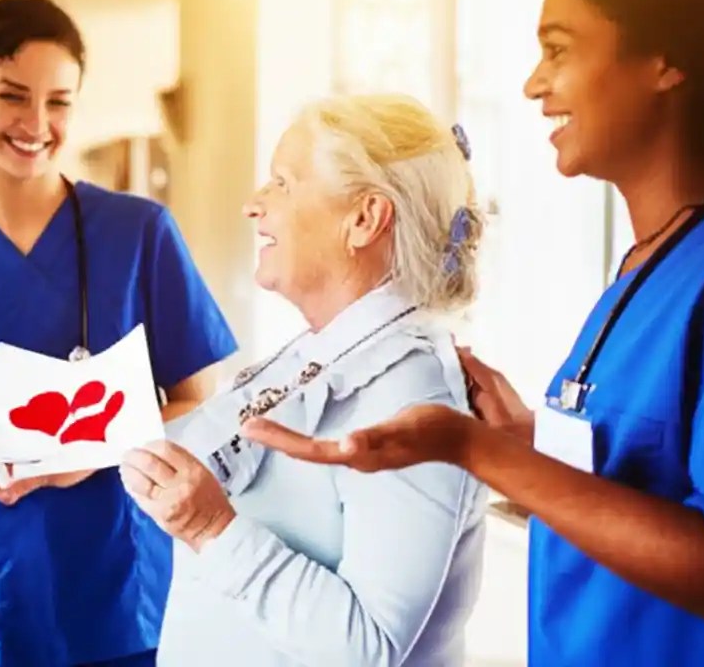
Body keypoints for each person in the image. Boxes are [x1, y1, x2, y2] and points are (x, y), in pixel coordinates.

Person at [246, 0, 704, 666]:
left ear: (666, 58)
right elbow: (642, 486)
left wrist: (478, 450)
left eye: (558, 50)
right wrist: (530, 443)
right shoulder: (644, 268)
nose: (534, 84)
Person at [0, 0, 238, 667]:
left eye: (59, 102)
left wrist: (93, 449)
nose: (37, 124)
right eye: (12, 96)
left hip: (119, 585)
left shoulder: (139, 234)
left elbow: (200, 401)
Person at [119, 94, 487, 667]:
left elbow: (366, 646)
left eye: (282, 183)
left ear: (364, 219)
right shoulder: (316, 354)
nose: (254, 205)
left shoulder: (412, 392)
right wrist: (51, 448)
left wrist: (212, 527)